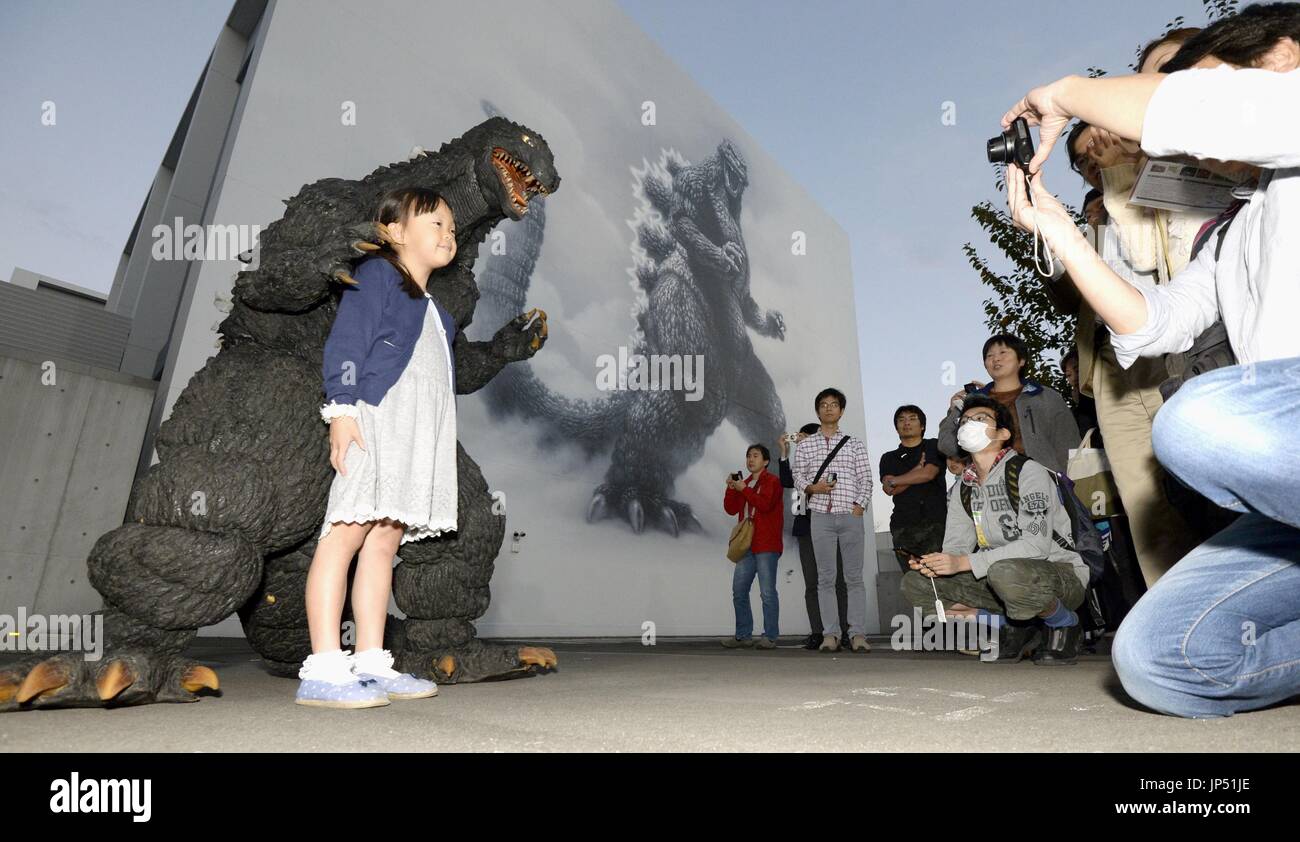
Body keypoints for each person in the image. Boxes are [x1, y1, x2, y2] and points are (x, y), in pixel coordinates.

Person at [1002, 1, 1300, 715]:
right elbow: (1154, 321)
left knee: (1199, 420)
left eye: (1193, 84)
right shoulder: (1232, 229)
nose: (1185, 144)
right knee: (1159, 659)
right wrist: (1061, 234)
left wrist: (1066, 92)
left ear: (1283, 55)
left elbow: (1232, 111)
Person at [299, 187, 457, 708]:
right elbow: (348, 340)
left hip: (416, 434)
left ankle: (369, 660)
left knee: (384, 545)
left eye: (451, 227)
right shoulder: (378, 276)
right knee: (344, 534)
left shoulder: (438, 311)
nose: (447, 232)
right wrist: (342, 410)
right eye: (434, 221)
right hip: (374, 420)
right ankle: (323, 666)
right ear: (392, 231)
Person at [902, 396, 1091, 665]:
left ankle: (1064, 624)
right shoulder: (962, 488)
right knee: (918, 583)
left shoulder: (1029, 471)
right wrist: (938, 564)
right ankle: (1011, 625)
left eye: (980, 419)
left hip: (1057, 572)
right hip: (999, 578)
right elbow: (957, 548)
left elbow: (1036, 546)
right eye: (965, 421)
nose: (969, 424)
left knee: (1004, 571)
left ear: (1003, 433)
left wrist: (965, 562)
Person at [792, 388, 874, 653]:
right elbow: (798, 476)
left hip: (849, 516)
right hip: (820, 517)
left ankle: (858, 634)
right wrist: (812, 489)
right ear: (818, 411)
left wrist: (859, 507)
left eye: (834, 404)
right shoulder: (805, 445)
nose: (828, 409)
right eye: (824, 405)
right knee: (825, 578)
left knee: (853, 578)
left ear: (841, 410)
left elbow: (866, 479)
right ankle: (831, 635)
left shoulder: (854, 443)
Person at [937, 333, 1079, 474]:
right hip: (989, 485)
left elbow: (1068, 445)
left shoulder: (1046, 397)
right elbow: (946, 444)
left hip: (1044, 481)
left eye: (1003, 352)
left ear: (1021, 360)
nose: (996, 358)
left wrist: (1066, 483)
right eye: (989, 356)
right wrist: (955, 414)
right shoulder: (972, 403)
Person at [778, 423, 849, 649]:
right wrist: (785, 453)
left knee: (836, 582)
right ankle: (818, 632)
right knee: (813, 584)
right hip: (806, 529)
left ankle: (844, 632)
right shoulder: (800, 466)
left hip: (830, 526)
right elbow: (787, 481)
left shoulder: (833, 460)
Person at [722, 444, 785, 649]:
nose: (751, 460)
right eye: (748, 456)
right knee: (739, 591)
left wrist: (744, 489)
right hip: (746, 545)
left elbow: (764, 505)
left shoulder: (773, 481)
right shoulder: (745, 483)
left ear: (765, 461)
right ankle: (743, 635)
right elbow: (730, 509)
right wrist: (731, 489)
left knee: (767, 592)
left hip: (766, 544)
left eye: (755, 456)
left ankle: (770, 636)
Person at [880, 405, 946, 572]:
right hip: (903, 526)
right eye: (901, 420)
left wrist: (897, 480)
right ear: (896, 427)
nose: (906, 422)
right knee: (912, 581)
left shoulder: (933, 445)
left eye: (912, 418)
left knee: (938, 578)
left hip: (936, 523)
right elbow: (889, 489)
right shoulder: (889, 457)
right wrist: (916, 471)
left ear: (922, 425)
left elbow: (929, 473)